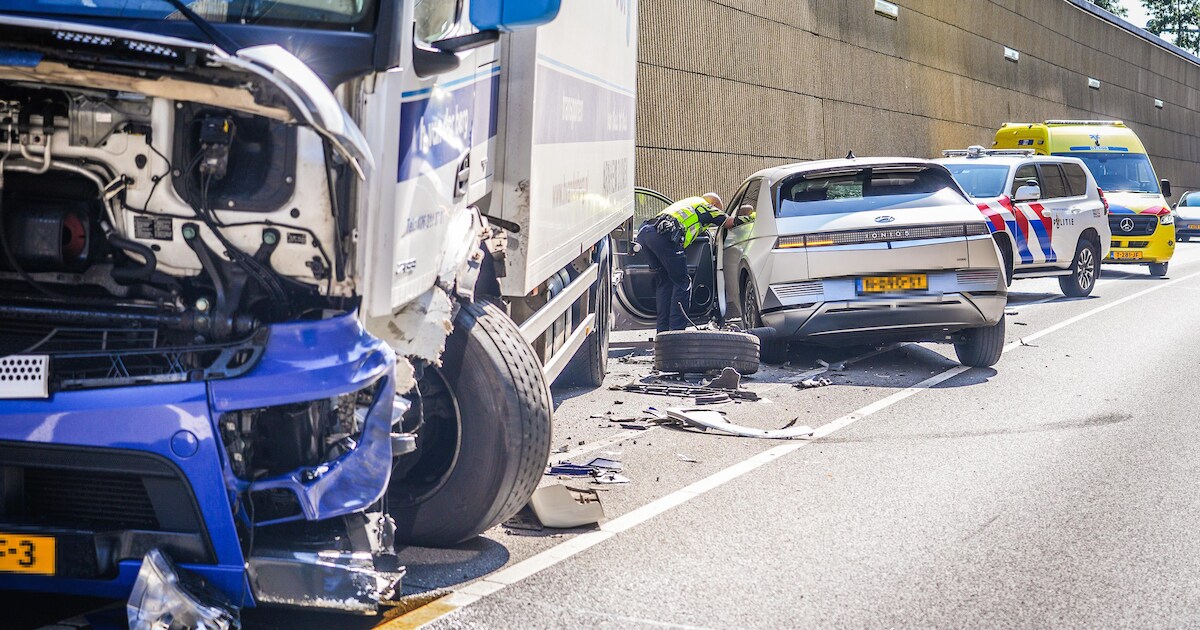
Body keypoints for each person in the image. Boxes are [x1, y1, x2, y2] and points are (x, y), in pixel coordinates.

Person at [636, 192, 750, 333]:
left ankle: (662, 332)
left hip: (645, 234)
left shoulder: (687, 203)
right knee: (683, 283)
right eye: (719, 209)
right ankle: (677, 332)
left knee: (665, 284)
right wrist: (752, 217)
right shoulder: (705, 206)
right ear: (714, 205)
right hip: (664, 237)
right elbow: (729, 222)